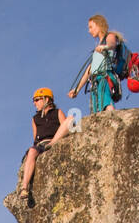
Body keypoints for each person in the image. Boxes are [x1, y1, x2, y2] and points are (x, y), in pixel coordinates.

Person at [46, 16, 120, 150]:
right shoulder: (97, 48)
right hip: (96, 81)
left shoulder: (109, 36)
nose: (89, 30)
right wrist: (77, 89)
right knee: (98, 107)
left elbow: (112, 44)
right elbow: (89, 70)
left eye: (91, 27)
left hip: (104, 77)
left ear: (99, 25)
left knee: (106, 102)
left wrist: (104, 47)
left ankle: (115, 125)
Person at [19, 88, 65, 206]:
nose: (35, 103)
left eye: (37, 100)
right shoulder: (35, 119)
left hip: (54, 139)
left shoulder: (57, 112)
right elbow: (35, 138)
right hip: (41, 144)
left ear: (46, 99)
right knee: (32, 151)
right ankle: (24, 187)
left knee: (70, 119)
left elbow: (65, 124)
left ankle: (52, 143)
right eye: (34, 100)